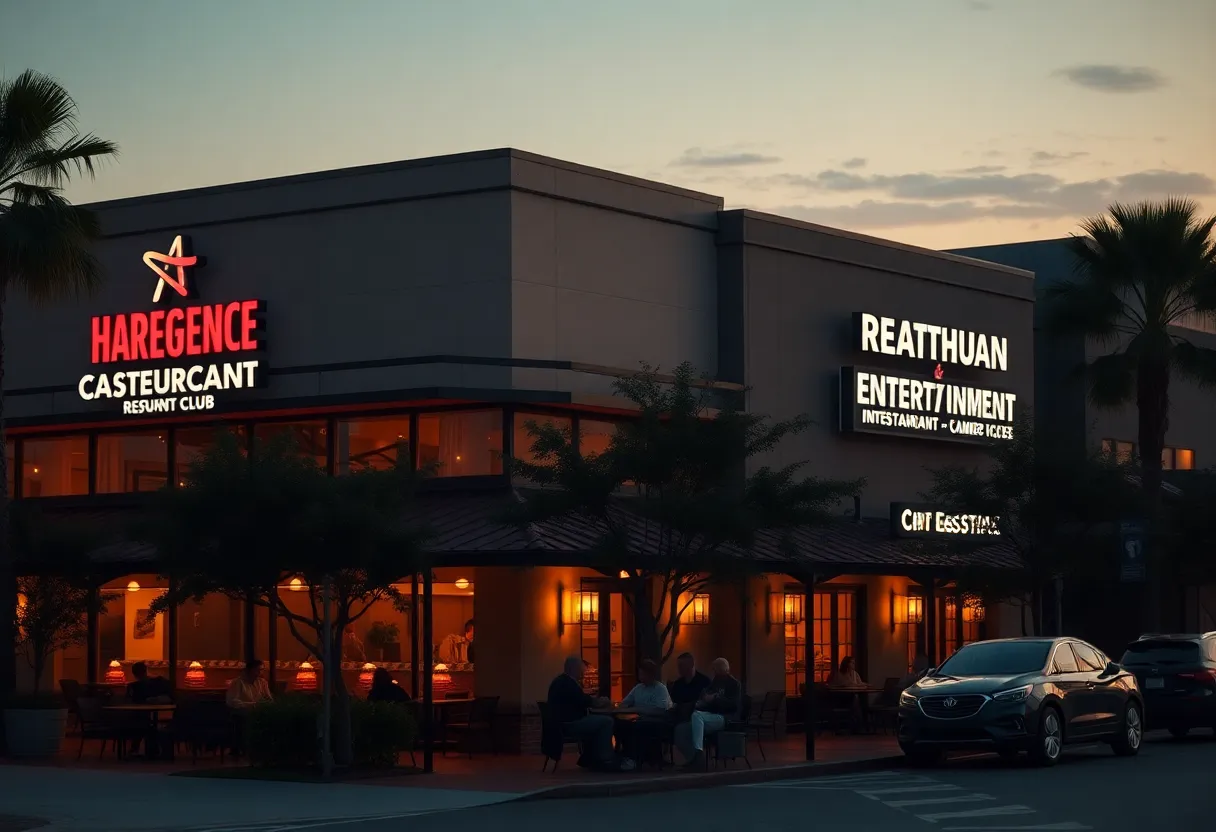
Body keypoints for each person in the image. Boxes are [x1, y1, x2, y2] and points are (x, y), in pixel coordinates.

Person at [546, 656, 635, 771]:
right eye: (581, 669)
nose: (583, 672)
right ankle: (606, 758)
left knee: (598, 721)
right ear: (573, 668)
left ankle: (591, 758)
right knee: (606, 721)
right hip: (569, 725)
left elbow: (580, 700)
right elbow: (586, 701)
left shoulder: (560, 681)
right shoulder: (568, 684)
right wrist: (602, 702)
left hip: (561, 724)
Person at [674, 657, 740, 770]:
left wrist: (715, 699)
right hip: (709, 717)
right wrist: (702, 701)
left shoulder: (734, 684)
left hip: (725, 718)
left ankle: (699, 755)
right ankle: (692, 758)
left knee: (697, 715)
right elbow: (705, 696)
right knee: (681, 729)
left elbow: (734, 705)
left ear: (721, 670)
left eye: (715, 669)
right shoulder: (714, 683)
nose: (713, 672)